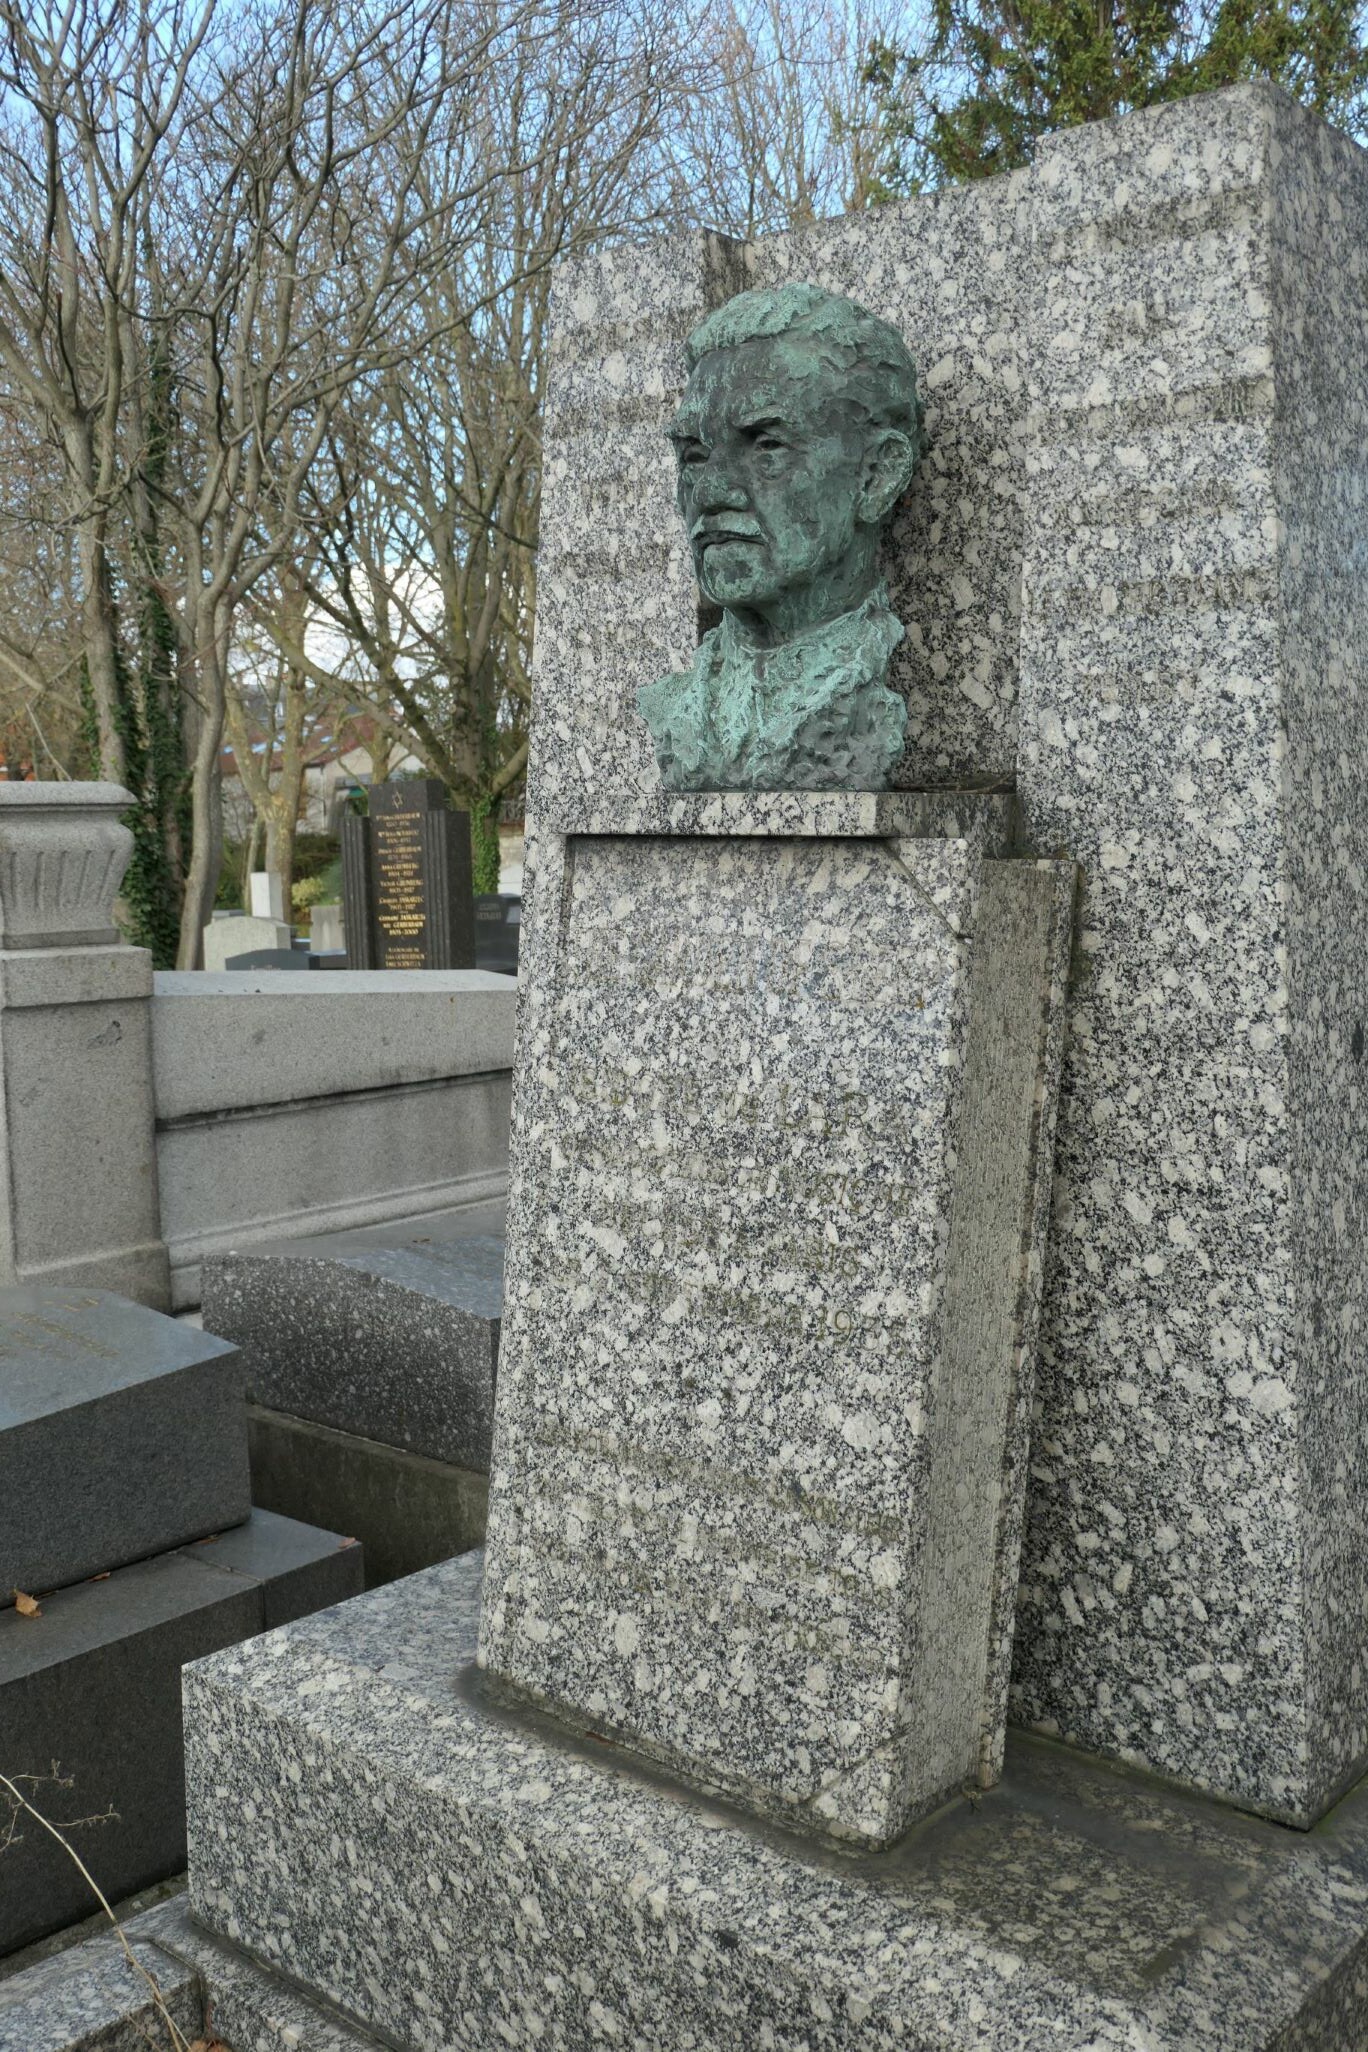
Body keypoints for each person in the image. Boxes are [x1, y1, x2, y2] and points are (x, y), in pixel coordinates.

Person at [638, 282, 924, 792]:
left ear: (876, 476)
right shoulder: (676, 711)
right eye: (694, 455)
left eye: (767, 446)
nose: (710, 490)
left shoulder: (863, 708)